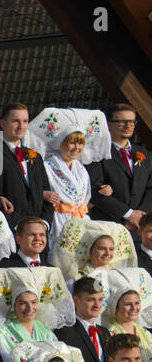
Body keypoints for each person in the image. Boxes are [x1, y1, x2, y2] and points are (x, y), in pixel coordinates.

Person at [29, 106, 108, 246]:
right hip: (59, 220)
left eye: (80, 143)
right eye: (72, 142)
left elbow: (87, 197)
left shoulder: (82, 170)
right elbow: (31, 190)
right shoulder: (47, 167)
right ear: (61, 143)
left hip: (81, 220)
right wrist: (42, 194)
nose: (76, 148)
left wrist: (103, 191)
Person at [0, 267, 71, 362]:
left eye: (34, 302)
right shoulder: (2, 334)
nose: (30, 308)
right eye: (23, 303)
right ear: (13, 305)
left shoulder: (46, 332)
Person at [89, 103, 150, 231]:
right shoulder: (97, 153)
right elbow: (94, 190)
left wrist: (140, 217)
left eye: (132, 122)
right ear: (109, 124)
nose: (128, 126)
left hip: (140, 229)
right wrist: (128, 214)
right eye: (122, 122)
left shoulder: (145, 154)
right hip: (108, 226)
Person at [0, 103, 49, 229]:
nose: (21, 126)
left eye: (25, 121)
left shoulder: (33, 155)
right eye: (15, 121)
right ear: (3, 123)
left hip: (38, 232)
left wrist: (44, 224)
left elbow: (46, 193)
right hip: (10, 229)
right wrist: (19, 225)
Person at [54, 218, 135, 297]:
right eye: (102, 249)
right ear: (90, 250)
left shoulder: (116, 276)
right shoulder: (76, 276)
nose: (107, 253)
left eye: (111, 249)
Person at [56, 276, 111, 362]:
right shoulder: (64, 332)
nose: (97, 305)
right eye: (91, 299)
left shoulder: (105, 332)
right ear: (76, 300)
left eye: (100, 299)